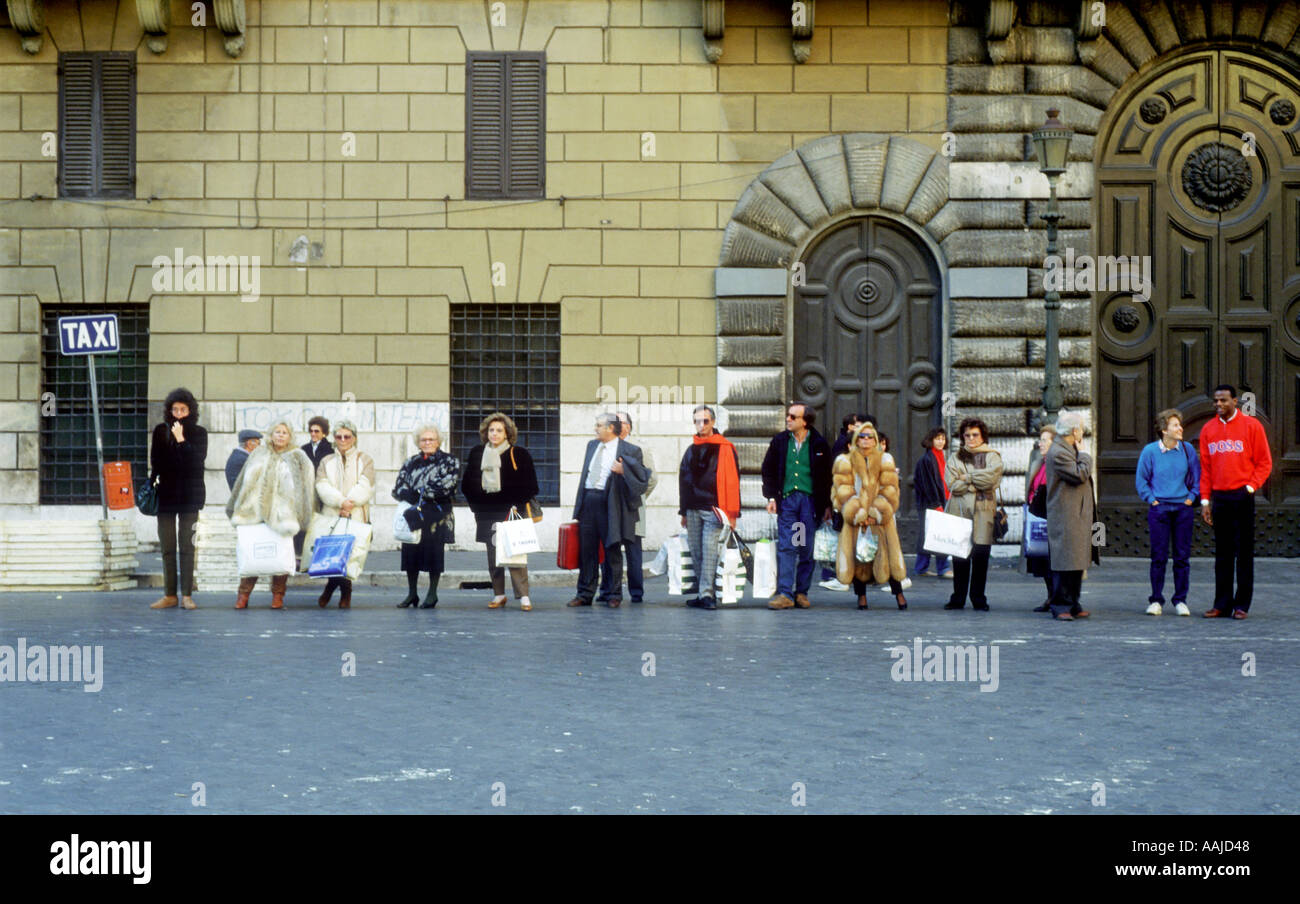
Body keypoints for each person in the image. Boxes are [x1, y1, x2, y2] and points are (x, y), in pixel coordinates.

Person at [1199, 384, 1272, 619]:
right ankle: (1221, 603)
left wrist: (1250, 487)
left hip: (1242, 496)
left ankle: (1242, 605)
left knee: (1244, 552)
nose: (1218, 404)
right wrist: (1205, 502)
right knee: (1222, 554)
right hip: (1219, 497)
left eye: (1223, 400)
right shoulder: (1208, 430)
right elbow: (1206, 469)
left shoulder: (1252, 426)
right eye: (1215, 401)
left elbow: (1265, 462)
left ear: (1235, 401)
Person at [226, 422, 314, 609]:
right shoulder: (259, 453)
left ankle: (278, 596)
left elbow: (307, 489)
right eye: (277, 432)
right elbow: (242, 480)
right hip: (254, 513)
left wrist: (304, 516)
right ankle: (243, 595)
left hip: (284, 515)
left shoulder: (299, 457)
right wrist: (235, 506)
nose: (281, 435)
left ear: (290, 436)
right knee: (252, 555)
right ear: (271, 434)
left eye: (285, 432)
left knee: (280, 557)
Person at [568, 414, 650, 609]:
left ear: (611, 428)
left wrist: (625, 471)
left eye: (598, 426)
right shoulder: (591, 446)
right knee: (587, 551)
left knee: (612, 549)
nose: (595, 429)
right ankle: (584, 594)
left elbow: (642, 482)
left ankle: (614, 594)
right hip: (589, 501)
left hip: (611, 504)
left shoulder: (631, 450)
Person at [461, 412, 538, 610]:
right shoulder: (477, 453)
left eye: (499, 431)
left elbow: (531, 486)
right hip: (487, 513)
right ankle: (499, 594)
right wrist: (477, 506)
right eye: (491, 430)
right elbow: (467, 484)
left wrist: (514, 501)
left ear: (507, 433)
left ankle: (524, 596)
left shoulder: (518, 454)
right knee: (493, 556)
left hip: (512, 511)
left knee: (515, 555)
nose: (494, 434)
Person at [762, 401, 832, 610]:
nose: (788, 419)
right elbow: (768, 470)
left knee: (805, 547)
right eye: (788, 416)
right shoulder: (780, 442)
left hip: (809, 502)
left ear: (805, 421)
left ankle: (801, 591)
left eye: (793, 417)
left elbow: (828, 477)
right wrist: (771, 498)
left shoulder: (819, 444)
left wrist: (827, 505)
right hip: (788, 501)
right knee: (787, 546)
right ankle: (785, 592)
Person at [832, 423, 908, 610]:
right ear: (856, 439)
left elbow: (890, 489)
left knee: (888, 558)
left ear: (876, 440)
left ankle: (898, 594)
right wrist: (857, 514)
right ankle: (861, 597)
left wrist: (877, 513)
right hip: (856, 520)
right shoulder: (844, 461)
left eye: (870, 436)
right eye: (862, 436)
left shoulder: (885, 460)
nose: (866, 440)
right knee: (858, 559)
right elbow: (842, 491)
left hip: (881, 519)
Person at [149, 387, 208, 610]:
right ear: (169, 410)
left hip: (190, 496)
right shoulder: (159, 431)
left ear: (190, 410)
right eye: (175, 409)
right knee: (167, 546)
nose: (179, 414)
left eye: (183, 409)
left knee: (187, 546)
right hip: (166, 495)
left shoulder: (200, 433)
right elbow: (156, 462)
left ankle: (187, 595)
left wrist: (181, 440)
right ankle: (170, 594)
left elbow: (197, 461)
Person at [1135, 409, 1199, 616]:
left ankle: (1180, 600)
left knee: (1182, 557)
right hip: (1159, 509)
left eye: (1180, 425)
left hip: (1182, 509)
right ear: (1164, 430)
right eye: (1175, 425)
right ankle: (1156, 600)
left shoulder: (1188, 450)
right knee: (1159, 556)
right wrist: (1152, 500)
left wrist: (1191, 498)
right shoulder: (1150, 452)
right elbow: (1141, 479)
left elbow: (1197, 479)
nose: (1180, 428)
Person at [678, 405, 740, 610]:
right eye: (697, 421)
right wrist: (684, 511)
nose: (700, 425)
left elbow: (732, 481)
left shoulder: (725, 447)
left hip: (714, 509)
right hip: (694, 508)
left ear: (713, 422)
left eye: (704, 421)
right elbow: (684, 481)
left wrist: (732, 514)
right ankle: (704, 591)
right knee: (697, 551)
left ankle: (707, 594)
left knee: (710, 551)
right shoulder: (691, 448)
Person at [308, 419, 374, 609]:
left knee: (350, 555)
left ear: (354, 438)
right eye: (339, 436)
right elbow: (321, 485)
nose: (343, 440)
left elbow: (366, 485)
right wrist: (340, 502)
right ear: (334, 438)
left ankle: (337, 590)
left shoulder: (365, 459)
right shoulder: (326, 461)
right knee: (333, 553)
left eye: (347, 436)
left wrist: (349, 503)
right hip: (332, 514)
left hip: (356, 514)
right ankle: (342, 590)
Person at [392, 424, 460, 609]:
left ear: (438, 441)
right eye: (424, 439)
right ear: (418, 442)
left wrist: (421, 493)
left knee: (433, 554)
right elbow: (398, 487)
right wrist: (413, 495)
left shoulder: (449, 460)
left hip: (437, 515)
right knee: (410, 553)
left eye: (431, 439)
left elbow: (448, 485)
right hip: (414, 513)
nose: (428, 442)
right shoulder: (410, 462)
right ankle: (412, 593)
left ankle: (432, 593)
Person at [943, 417, 1002, 612]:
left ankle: (978, 598)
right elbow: (953, 484)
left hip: (984, 512)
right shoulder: (955, 457)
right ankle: (957, 598)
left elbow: (991, 480)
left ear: (982, 436)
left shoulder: (992, 456)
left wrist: (967, 478)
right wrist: (975, 482)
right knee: (960, 557)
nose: (971, 438)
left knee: (981, 557)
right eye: (967, 435)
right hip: (959, 512)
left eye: (975, 434)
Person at [598, 411, 657, 604]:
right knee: (609, 550)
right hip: (610, 508)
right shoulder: (605, 445)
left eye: (620, 422)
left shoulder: (640, 448)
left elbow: (651, 479)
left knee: (633, 551)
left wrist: (637, 497)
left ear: (628, 427)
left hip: (633, 508)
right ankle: (607, 590)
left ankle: (636, 592)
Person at [1044, 411, 1096, 621]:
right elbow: (1079, 474)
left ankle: (1074, 603)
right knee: (1064, 561)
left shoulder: (1067, 447)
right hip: (1065, 513)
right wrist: (1085, 455)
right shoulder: (1058, 452)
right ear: (1075, 431)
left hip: (1077, 513)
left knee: (1077, 561)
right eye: (1081, 428)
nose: (1082, 432)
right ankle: (1060, 604)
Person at [1022, 425, 1057, 611]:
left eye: (1044, 440)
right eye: (1040, 439)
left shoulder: (1056, 463)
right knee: (1042, 561)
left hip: (1051, 518)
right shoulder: (1040, 462)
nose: (1040, 443)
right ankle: (1050, 597)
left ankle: (1058, 598)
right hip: (1037, 518)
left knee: (1053, 562)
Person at [913, 426, 952, 578]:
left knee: (930, 535)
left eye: (943, 438)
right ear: (931, 440)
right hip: (931, 504)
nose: (941, 441)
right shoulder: (927, 460)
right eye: (937, 438)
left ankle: (921, 568)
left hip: (942, 501)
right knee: (936, 536)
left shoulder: (940, 456)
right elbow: (927, 485)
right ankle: (942, 568)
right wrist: (936, 505)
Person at [296, 416, 334, 560]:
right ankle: (303, 556)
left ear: (324, 433)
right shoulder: (303, 449)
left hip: (323, 491)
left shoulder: (330, 449)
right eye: (311, 431)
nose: (313, 434)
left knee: (322, 525)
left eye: (317, 431)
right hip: (307, 493)